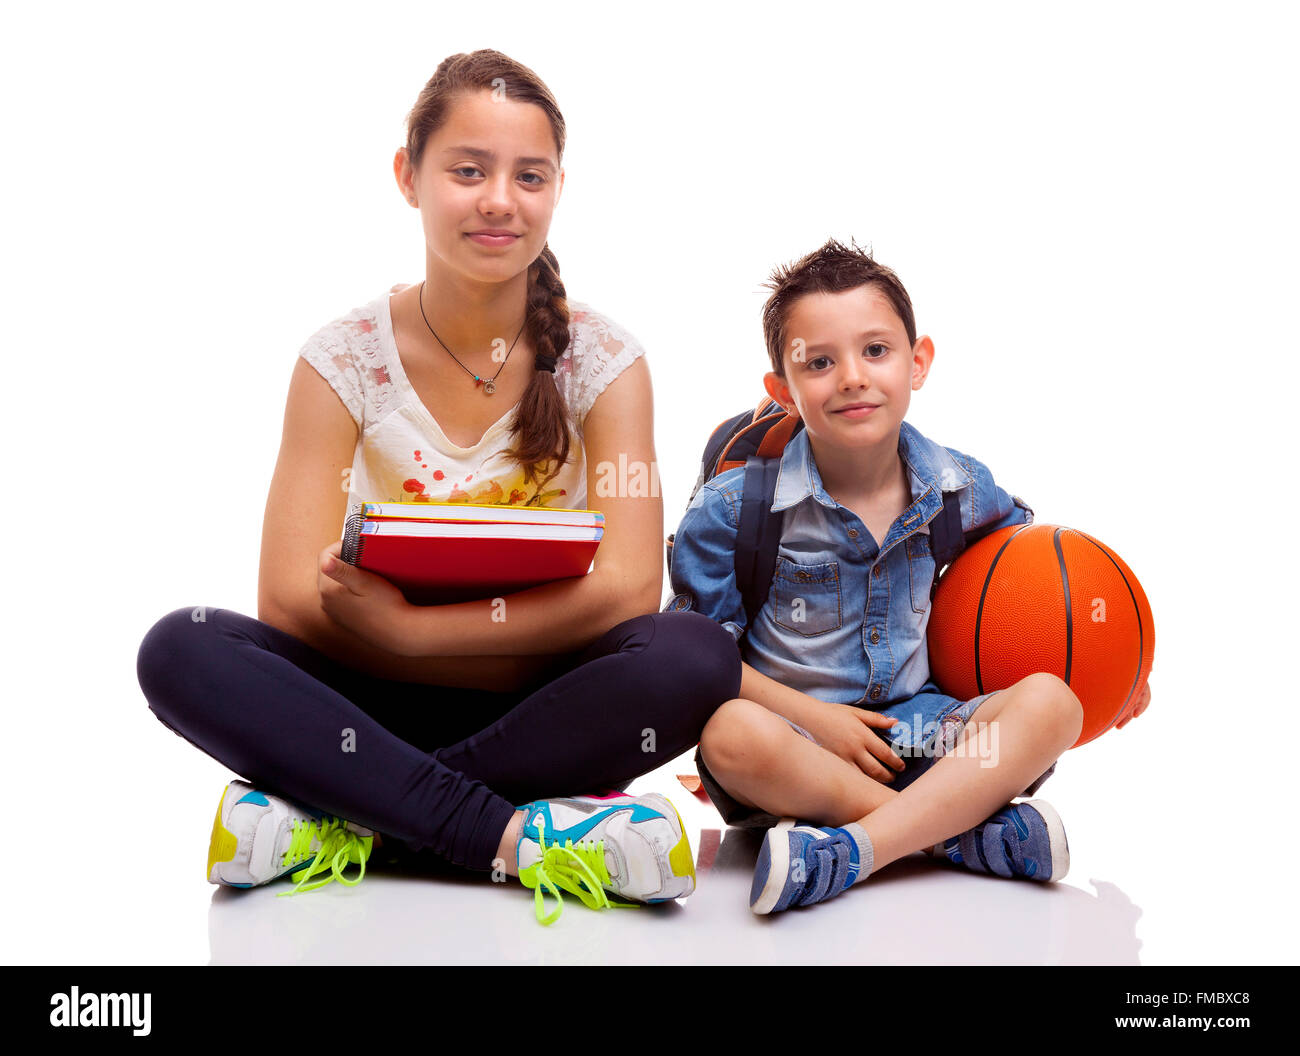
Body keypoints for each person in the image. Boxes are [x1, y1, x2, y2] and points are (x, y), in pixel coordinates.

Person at [136, 50, 740, 927]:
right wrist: (395, 647)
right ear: (408, 177)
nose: (499, 199)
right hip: (365, 695)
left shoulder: (608, 361)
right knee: (178, 647)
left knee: (694, 654)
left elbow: (626, 590)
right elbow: (284, 598)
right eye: (468, 170)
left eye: (528, 176)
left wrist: (422, 633)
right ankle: (515, 836)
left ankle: (347, 818)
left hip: (542, 700)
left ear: (557, 189)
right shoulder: (340, 358)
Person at [665, 238, 1153, 914]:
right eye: (819, 362)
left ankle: (852, 850)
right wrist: (823, 723)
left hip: (919, 739)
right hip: (796, 750)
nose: (853, 378)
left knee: (1054, 702)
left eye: (876, 351)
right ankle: (958, 838)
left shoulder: (957, 486)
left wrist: (1119, 668)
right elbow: (695, 660)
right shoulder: (733, 508)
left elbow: (1038, 578)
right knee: (726, 734)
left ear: (917, 362)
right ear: (781, 389)